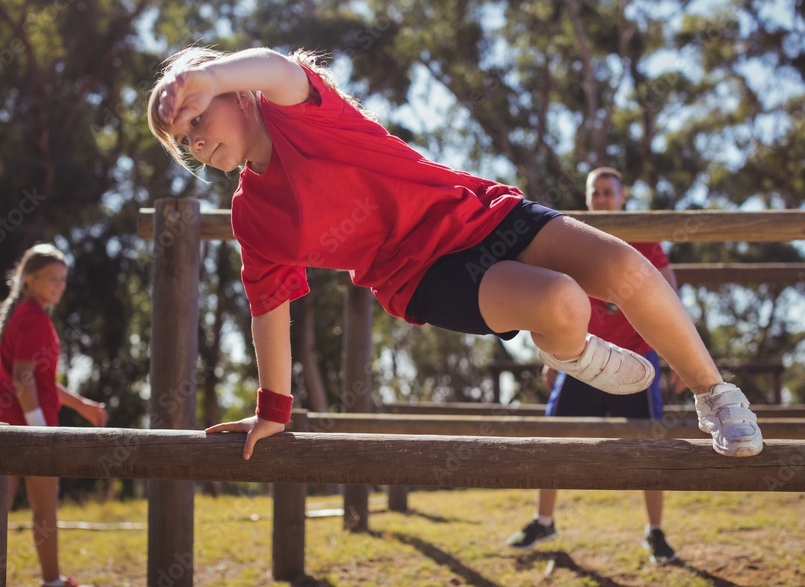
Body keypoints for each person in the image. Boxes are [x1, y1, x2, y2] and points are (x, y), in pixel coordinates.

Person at [145, 46, 763, 464]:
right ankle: (567, 346)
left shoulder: (298, 112)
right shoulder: (254, 215)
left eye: (198, 115)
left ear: (239, 94)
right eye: (185, 141)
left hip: (476, 211)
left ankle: (716, 396)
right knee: (563, 302)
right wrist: (272, 410)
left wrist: (211, 74)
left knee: (629, 267)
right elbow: (269, 307)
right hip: (424, 275)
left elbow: (278, 68)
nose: (197, 143)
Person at [506, 167, 687, 563]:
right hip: (584, 355)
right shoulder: (574, 236)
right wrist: (554, 352)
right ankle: (544, 520)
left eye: (609, 192)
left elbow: (669, 294)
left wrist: (678, 357)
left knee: (649, 444)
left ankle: (655, 532)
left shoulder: (644, 235)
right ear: (588, 199)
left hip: (638, 357)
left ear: (623, 198)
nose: (602, 199)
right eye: (596, 193)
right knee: (554, 436)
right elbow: (551, 295)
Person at [0, 243, 107, 587]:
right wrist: (40, 433)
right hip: (20, 429)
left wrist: (81, 405)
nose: (59, 286)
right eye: (53, 279)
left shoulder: (27, 313)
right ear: (31, 280)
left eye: (63, 280)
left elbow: (38, 380)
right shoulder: (33, 317)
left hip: (1, 424)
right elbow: (23, 379)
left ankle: (41, 579)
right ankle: (50, 582)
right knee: (39, 510)